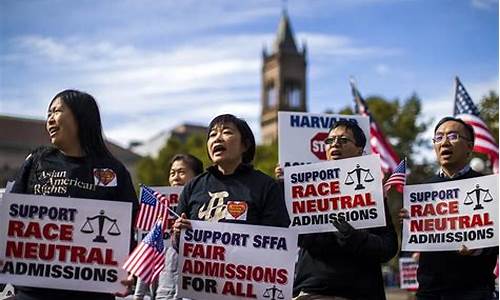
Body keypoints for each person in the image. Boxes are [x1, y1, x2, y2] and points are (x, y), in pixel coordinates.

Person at [10, 89, 138, 300]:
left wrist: (128, 270)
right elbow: (10, 217)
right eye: (48, 113)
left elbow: (131, 229)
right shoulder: (36, 161)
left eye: (57, 111)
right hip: (34, 291)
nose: (50, 119)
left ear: (81, 116)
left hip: (92, 292)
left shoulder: (113, 171)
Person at [293, 120, 398, 300]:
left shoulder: (372, 192)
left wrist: (355, 237)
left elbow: (388, 248)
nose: (334, 144)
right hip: (314, 291)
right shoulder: (305, 190)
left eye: (343, 140)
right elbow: (293, 237)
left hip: (359, 292)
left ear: (360, 149)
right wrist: (285, 190)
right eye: (330, 140)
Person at [403, 116, 498, 300]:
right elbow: (414, 245)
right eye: (438, 138)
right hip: (430, 292)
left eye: (452, 136)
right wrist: (411, 226)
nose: (444, 142)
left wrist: (477, 249)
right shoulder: (423, 190)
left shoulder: (489, 186)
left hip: (474, 292)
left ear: (470, 147)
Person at [172, 113, 290, 242]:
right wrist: (178, 235)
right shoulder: (192, 187)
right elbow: (177, 243)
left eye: (226, 132)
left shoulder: (267, 187)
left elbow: (278, 243)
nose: (217, 139)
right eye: (212, 135)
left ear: (245, 145)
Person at [133, 154, 204, 300]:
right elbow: (147, 257)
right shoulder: (158, 214)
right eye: (172, 173)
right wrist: (138, 295)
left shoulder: (207, 212)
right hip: (162, 294)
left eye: (182, 172)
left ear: (198, 178)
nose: (175, 177)